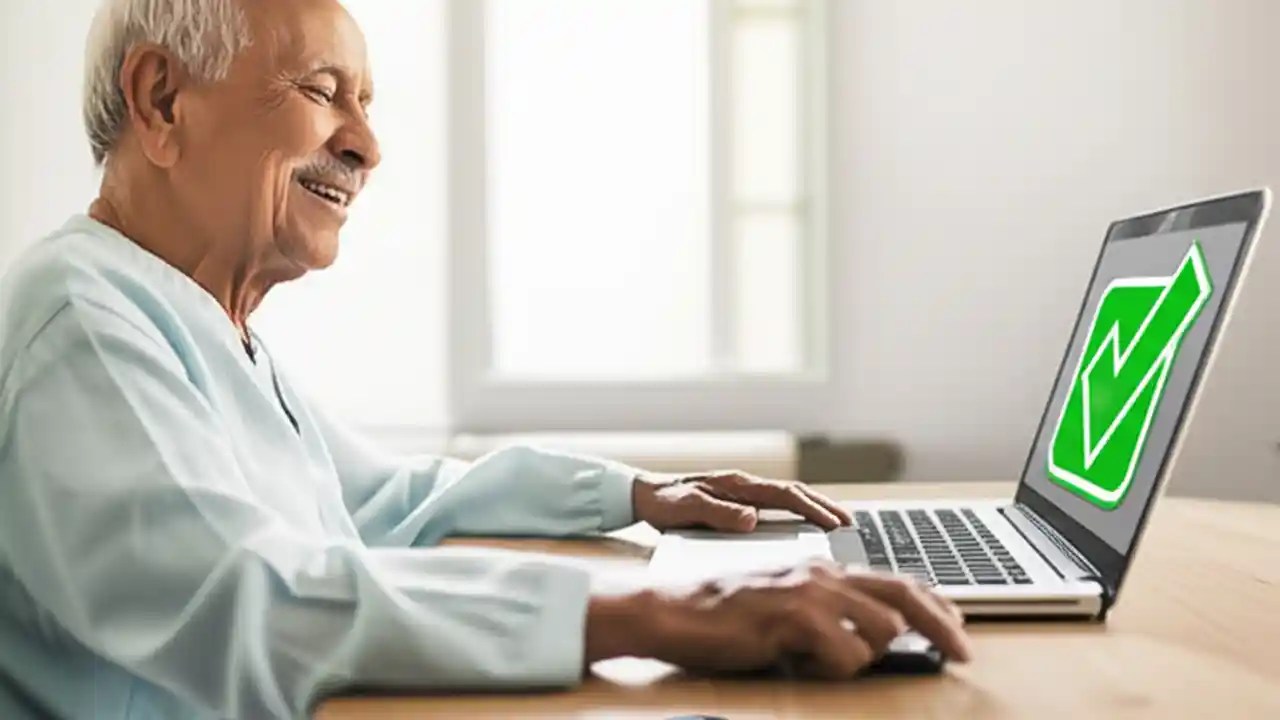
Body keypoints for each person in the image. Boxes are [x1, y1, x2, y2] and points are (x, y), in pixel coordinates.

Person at [0, 0, 971, 717]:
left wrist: (636, 496)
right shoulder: (81, 320)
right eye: (321, 92)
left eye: (366, 105)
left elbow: (393, 502)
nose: (367, 145)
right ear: (161, 99)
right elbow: (247, 596)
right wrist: (649, 613)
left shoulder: (197, 317)